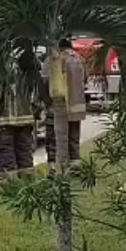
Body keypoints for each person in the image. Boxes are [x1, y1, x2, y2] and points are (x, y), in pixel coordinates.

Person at [46, 38, 86, 170]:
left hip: (61, 106)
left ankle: (57, 168)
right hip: (77, 105)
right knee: (74, 139)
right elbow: (85, 79)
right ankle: (75, 167)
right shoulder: (79, 58)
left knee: (57, 139)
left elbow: (48, 81)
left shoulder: (58, 59)